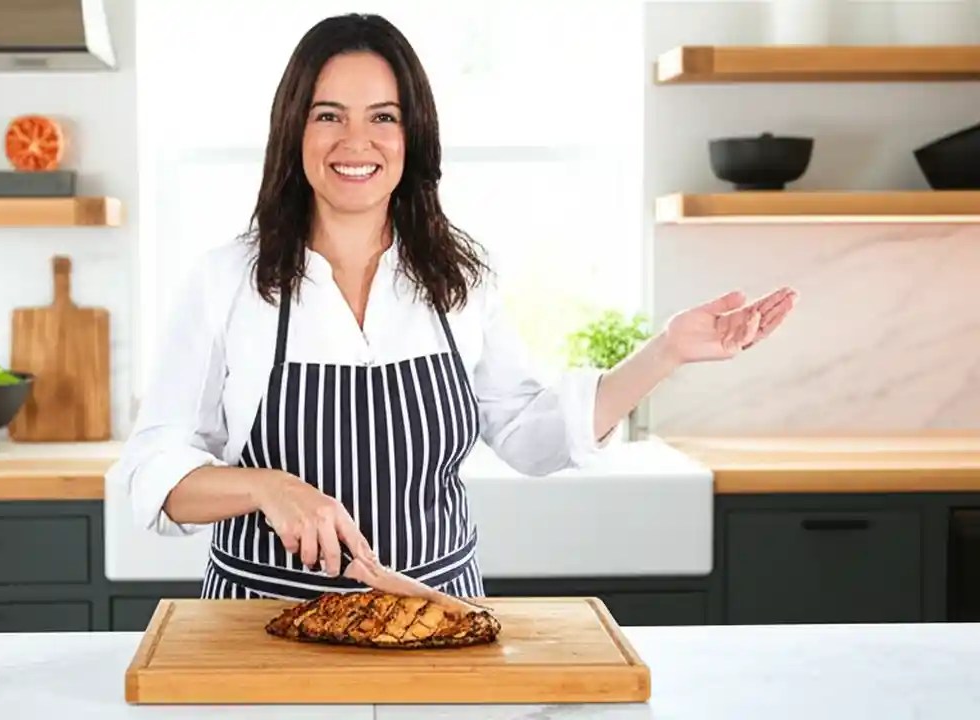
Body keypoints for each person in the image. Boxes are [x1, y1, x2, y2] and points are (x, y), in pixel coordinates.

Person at [107, 13, 797, 600]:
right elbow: (153, 468)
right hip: (261, 628)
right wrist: (265, 488)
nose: (358, 141)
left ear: (414, 137)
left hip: (430, 626)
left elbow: (531, 436)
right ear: (295, 131)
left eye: (384, 117)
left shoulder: (460, 279)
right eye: (328, 116)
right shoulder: (226, 281)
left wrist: (666, 351)